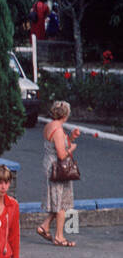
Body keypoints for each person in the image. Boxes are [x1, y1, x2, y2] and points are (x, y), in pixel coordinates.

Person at [36, 101, 81, 247]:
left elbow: (58, 144)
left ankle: (44, 226)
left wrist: (72, 138)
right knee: (61, 203)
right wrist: (72, 148)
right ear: (66, 114)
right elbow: (62, 154)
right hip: (58, 168)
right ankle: (59, 237)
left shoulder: (50, 126)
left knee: (57, 200)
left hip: (49, 164)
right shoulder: (59, 130)